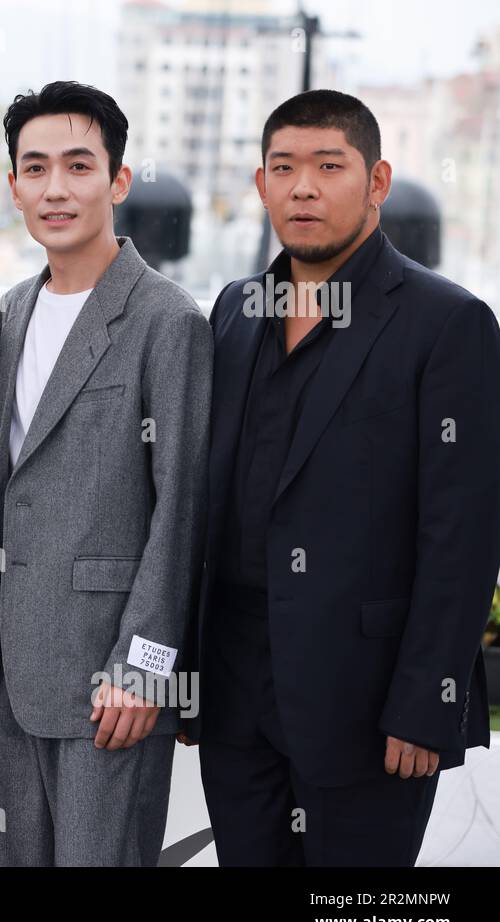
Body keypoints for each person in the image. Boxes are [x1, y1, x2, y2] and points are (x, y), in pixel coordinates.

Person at [182, 90, 500, 866]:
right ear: (261, 186)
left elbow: (462, 533)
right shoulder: (233, 310)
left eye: (330, 166)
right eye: (283, 168)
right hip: (232, 687)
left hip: (370, 698)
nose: (303, 188)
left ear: (378, 181)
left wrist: (429, 701)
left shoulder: (447, 322)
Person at [0, 81, 212, 866]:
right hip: (9, 673)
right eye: (34, 168)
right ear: (13, 186)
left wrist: (144, 669)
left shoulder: (167, 318)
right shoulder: (10, 310)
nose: (55, 188)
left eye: (78, 166)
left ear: (118, 180)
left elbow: (181, 506)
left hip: (108, 682)